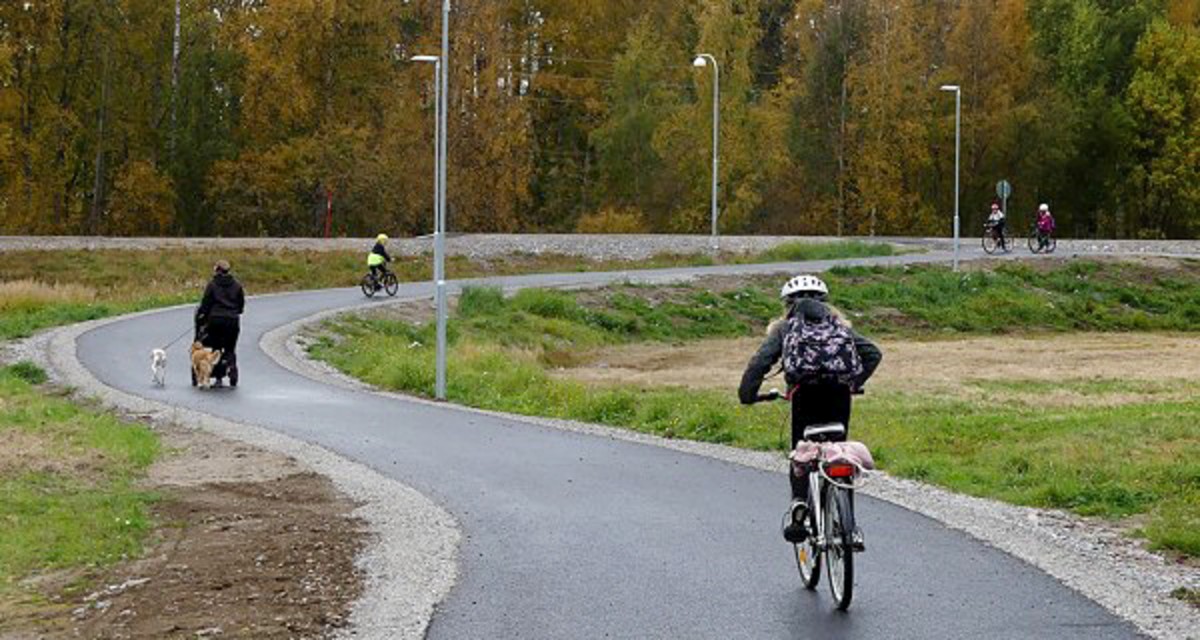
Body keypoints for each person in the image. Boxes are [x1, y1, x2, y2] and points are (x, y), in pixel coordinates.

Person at [738, 274, 882, 543]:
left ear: (788, 304)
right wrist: (853, 383)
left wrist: (747, 395)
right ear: (825, 302)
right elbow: (873, 353)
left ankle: (798, 506)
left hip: (804, 397)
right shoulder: (839, 328)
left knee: (802, 453)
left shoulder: (785, 329)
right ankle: (848, 528)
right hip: (839, 398)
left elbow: (759, 363)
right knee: (841, 455)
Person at [195, 260, 246, 386]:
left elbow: (205, 304)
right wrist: (235, 311)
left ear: (217, 270)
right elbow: (241, 305)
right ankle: (232, 370)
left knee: (216, 348)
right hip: (232, 321)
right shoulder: (237, 285)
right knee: (230, 348)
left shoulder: (212, 285)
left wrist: (202, 315)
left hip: (215, 320)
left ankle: (218, 377)